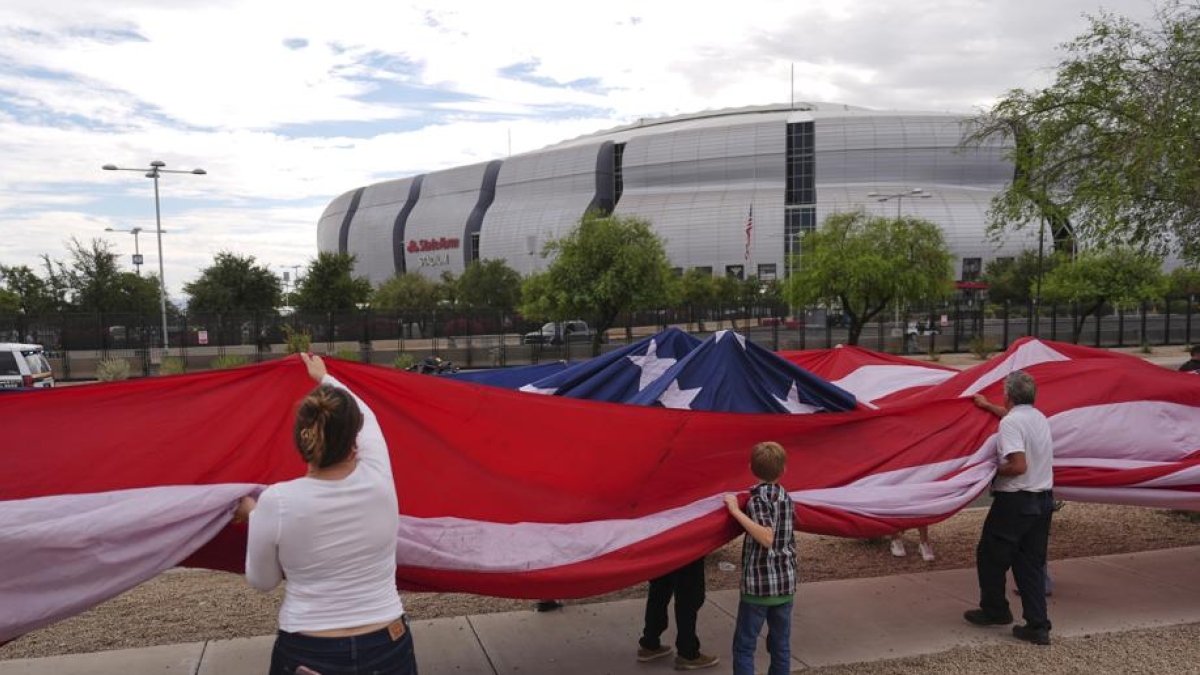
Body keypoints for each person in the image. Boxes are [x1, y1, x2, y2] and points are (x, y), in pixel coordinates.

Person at [233, 352, 416, 675]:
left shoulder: (276, 502)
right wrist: (325, 377)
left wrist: (255, 516)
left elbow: (263, 581)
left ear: (301, 440)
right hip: (387, 643)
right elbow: (366, 413)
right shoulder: (379, 478)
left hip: (310, 650)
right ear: (355, 439)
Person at [966, 370, 1055, 646]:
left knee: (990, 556)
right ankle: (1038, 626)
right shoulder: (1038, 417)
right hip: (1043, 502)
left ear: (1008, 396)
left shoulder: (1011, 424)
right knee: (1031, 564)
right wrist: (987, 406)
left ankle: (995, 610)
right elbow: (1012, 419)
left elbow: (1017, 467)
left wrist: (990, 472)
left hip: (1016, 502)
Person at [724, 441, 797, 675]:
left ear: (751, 467)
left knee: (745, 646)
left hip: (759, 587)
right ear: (783, 470)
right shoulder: (786, 497)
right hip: (785, 585)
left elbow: (766, 537)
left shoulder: (758, 500)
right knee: (780, 646)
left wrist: (735, 511)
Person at [636, 557, 718, 670]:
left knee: (659, 590)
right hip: (687, 549)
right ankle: (688, 653)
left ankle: (650, 643)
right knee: (688, 595)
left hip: (662, 547)